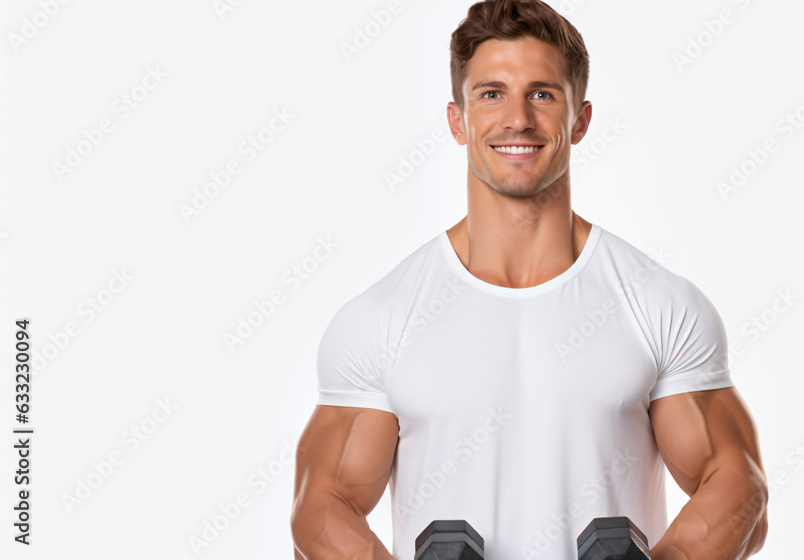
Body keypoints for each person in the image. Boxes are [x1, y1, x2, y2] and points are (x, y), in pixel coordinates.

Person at [291, 1, 767, 558]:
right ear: (458, 120)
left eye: (542, 94)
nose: (517, 119)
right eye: (491, 93)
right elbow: (322, 504)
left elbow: (736, 484)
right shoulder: (383, 318)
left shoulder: (657, 304)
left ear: (580, 120)